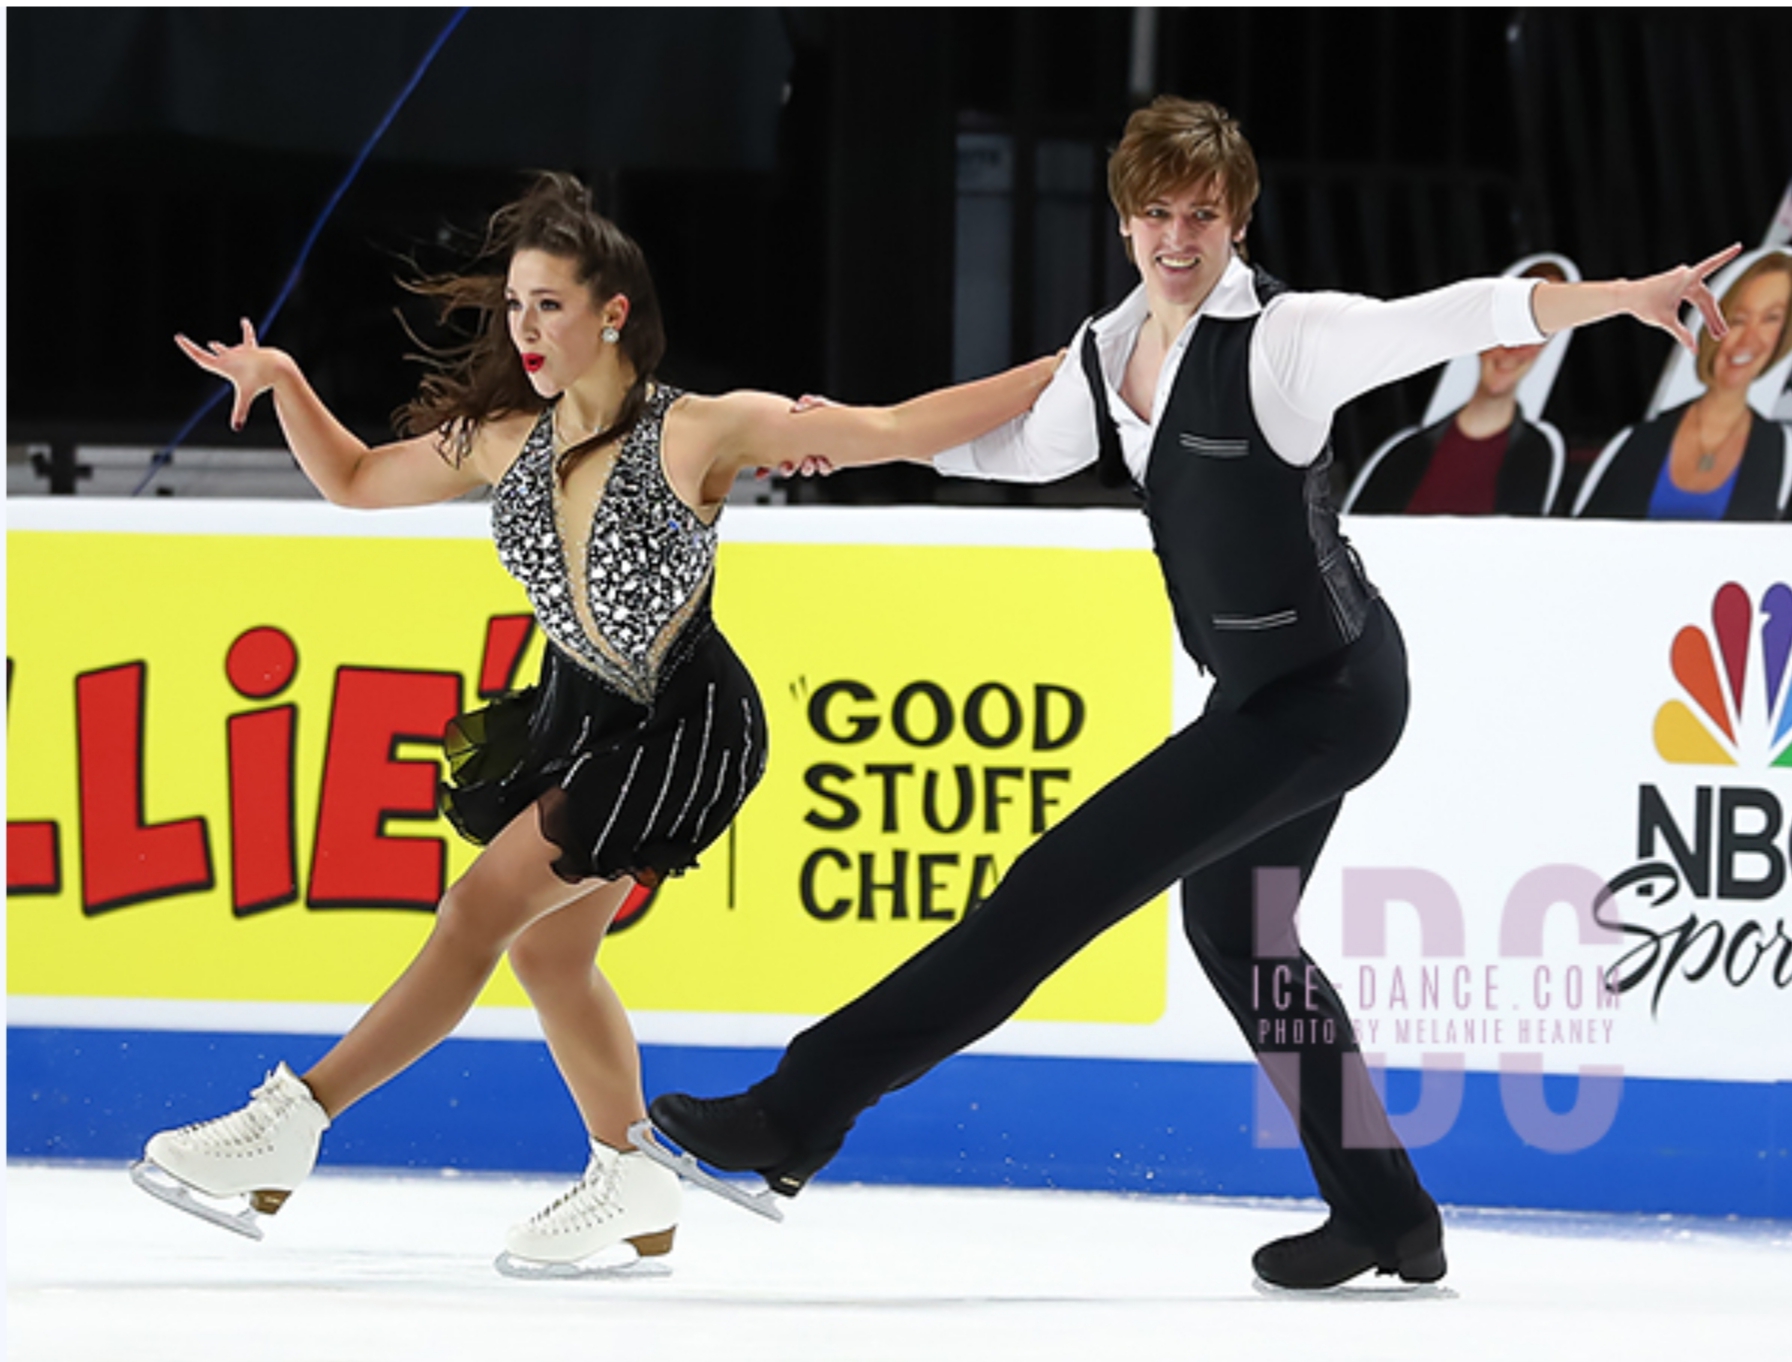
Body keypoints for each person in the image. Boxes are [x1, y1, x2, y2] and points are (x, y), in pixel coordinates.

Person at [645, 97, 1738, 1291]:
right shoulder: (1113, 351)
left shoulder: (1288, 338)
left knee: (1048, 891)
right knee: (1237, 933)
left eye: (1201, 214)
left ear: (1237, 219)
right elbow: (1021, 450)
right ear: (1123, 223)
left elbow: (1464, 312)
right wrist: (849, 440)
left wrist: (1618, 299)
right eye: (1157, 213)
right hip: (1268, 694)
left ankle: (800, 1111)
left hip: (1331, 692)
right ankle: (1387, 1215)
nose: (1178, 236)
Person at [136, 172, 1059, 1276]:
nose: (525, 329)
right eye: (516, 306)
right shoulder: (502, 443)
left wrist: (1070, 369)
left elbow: (899, 427)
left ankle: (289, 1128)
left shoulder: (701, 431)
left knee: (476, 909)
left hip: (683, 725)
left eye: (550, 306)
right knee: (548, 955)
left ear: (612, 312)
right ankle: (631, 1183)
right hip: (580, 714)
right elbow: (351, 481)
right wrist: (283, 379)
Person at [1574, 248, 1791, 520]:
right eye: (1738, 319)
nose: (1749, 339)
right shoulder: (1641, 440)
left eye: (1771, 319)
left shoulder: (1782, 452)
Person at [1347, 261, 1568, 516]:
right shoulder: (1405, 451)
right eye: (1508, 325)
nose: (1514, 347)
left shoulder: (1539, 455)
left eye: (1538, 331)